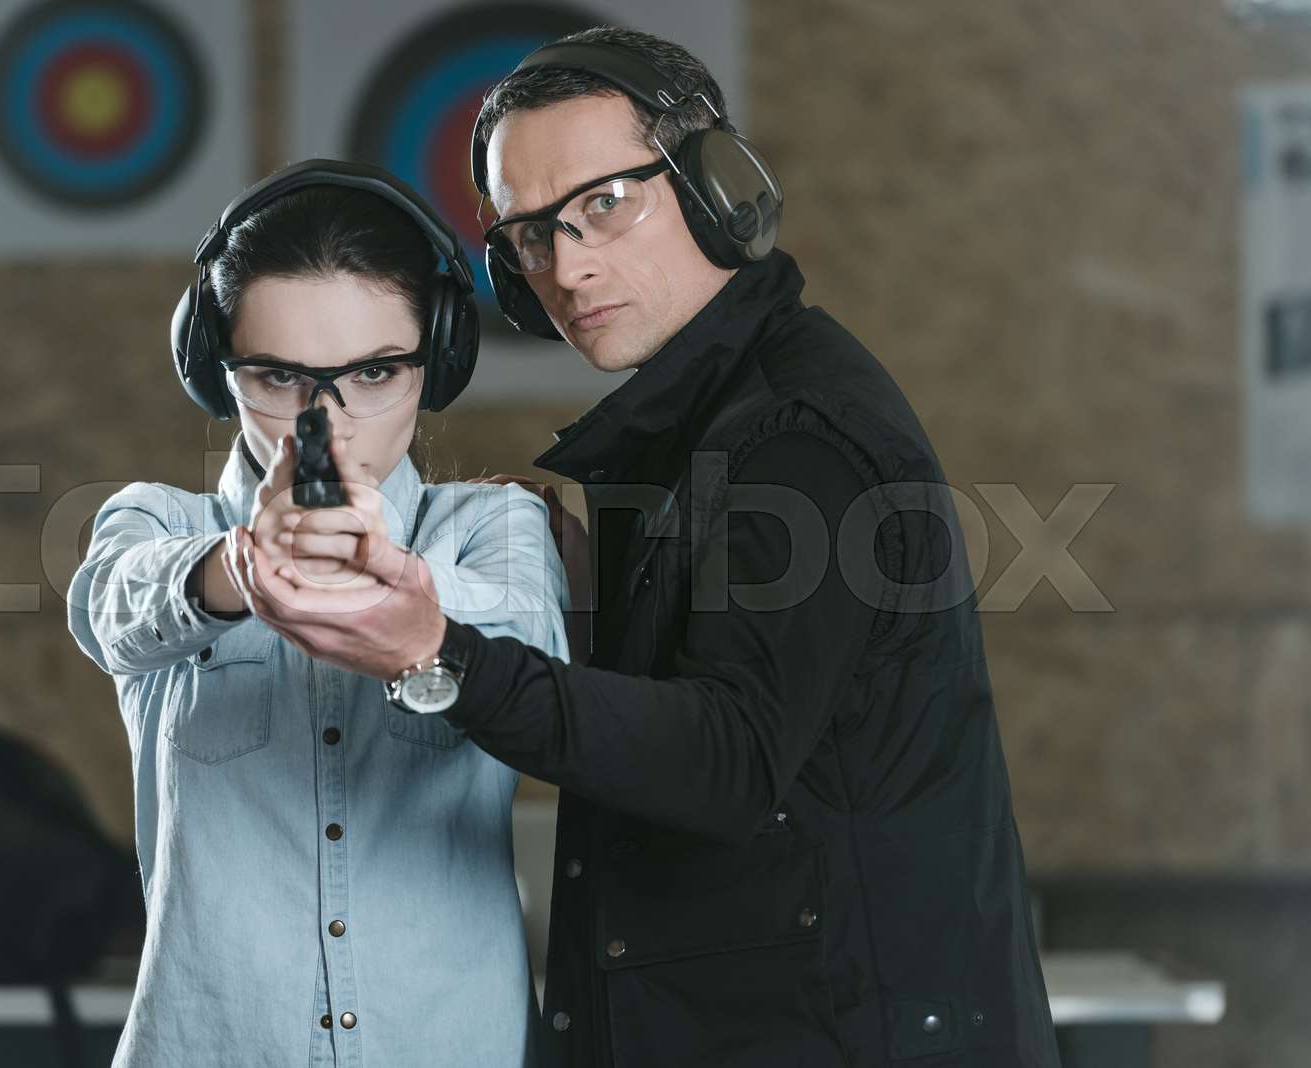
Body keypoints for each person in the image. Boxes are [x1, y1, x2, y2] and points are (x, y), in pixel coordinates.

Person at [225, 28, 1061, 1068]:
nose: (569, 265)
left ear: (718, 188)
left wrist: (435, 655)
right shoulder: (700, 431)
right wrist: (603, 591)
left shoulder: (796, 437)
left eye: (604, 205)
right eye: (532, 235)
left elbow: (727, 759)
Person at [65, 160, 568, 1068]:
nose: (326, 423)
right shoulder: (158, 520)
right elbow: (113, 608)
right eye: (279, 377)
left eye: (375, 371)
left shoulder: (495, 525)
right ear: (218, 375)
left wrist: (394, 578)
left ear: (438, 359)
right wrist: (243, 565)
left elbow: (536, 654)